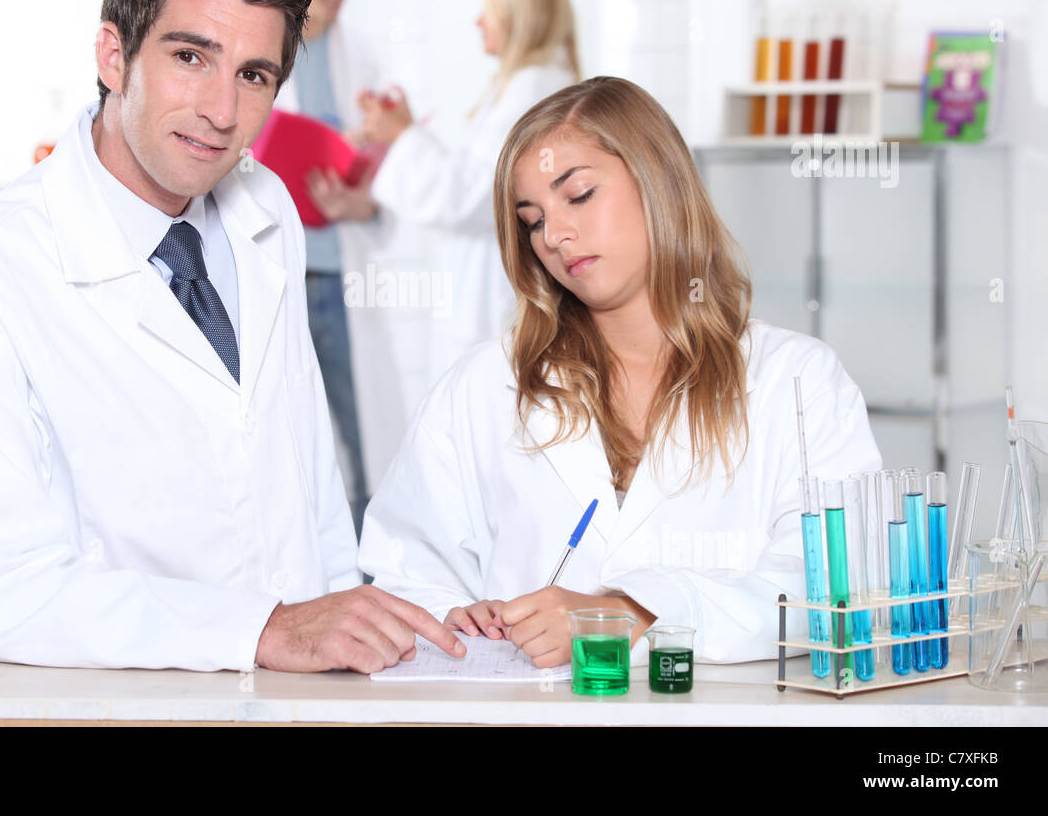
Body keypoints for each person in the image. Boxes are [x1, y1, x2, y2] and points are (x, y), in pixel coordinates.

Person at [0, 0, 463, 674]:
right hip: (119, 712)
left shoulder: (264, 209)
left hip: (299, 704)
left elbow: (310, 487)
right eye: (192, 56)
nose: (222, 112)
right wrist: (264, 630)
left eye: (253, 75)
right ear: (114, 55)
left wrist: (348, 639)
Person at [357, 77, 882, 667]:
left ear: (658, 180)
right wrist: (455, 616)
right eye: (532, 220)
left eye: (578, 194)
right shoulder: (484, 386)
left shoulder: (798, 382)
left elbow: (841, 588)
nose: (554, 236)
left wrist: (635, 613)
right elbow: (403, 571)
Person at [314, 0, 579, 390]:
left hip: (494, 296)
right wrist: (405, 134)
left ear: (517, 16)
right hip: (487, 291)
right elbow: (477, 176)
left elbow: (472, 196)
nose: (478, 21)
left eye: (488, 9)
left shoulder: (531, 88)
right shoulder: (525, 84)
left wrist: (402, 136)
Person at [271, 0, 379, 536]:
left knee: (356, 426)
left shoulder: (357, 55)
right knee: (284, 433)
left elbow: (387, 175)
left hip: (340, 274)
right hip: (277, 271)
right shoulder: (265, 38)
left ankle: (368, 575)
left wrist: (361, 196)